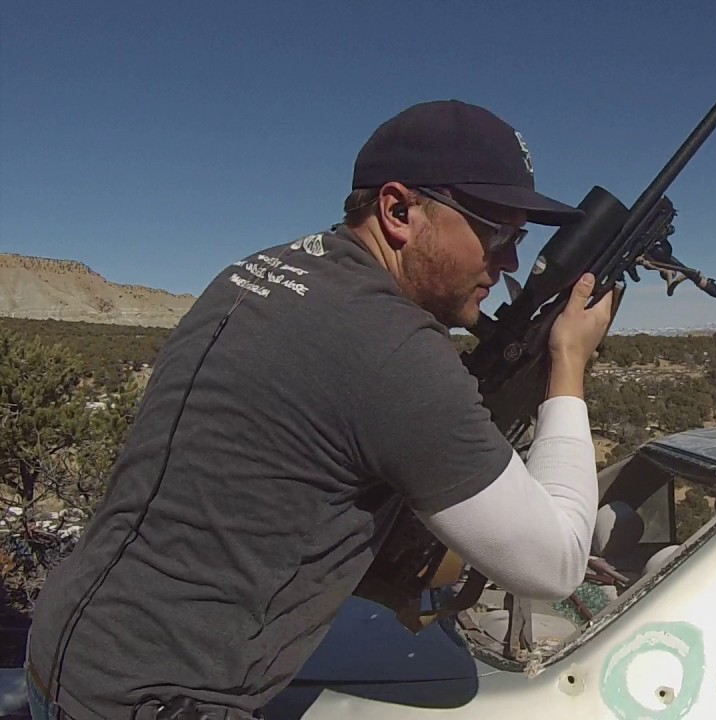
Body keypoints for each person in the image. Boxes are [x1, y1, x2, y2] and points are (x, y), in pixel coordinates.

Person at [25, 100, 615, 719]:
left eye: (518, 238)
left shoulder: (254, 273)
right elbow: (555, 564)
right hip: (163, 697)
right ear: (398, 210)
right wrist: (566, 365)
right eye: (496, 230)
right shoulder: (392, 348)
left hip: (70, 658)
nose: (511, 260)